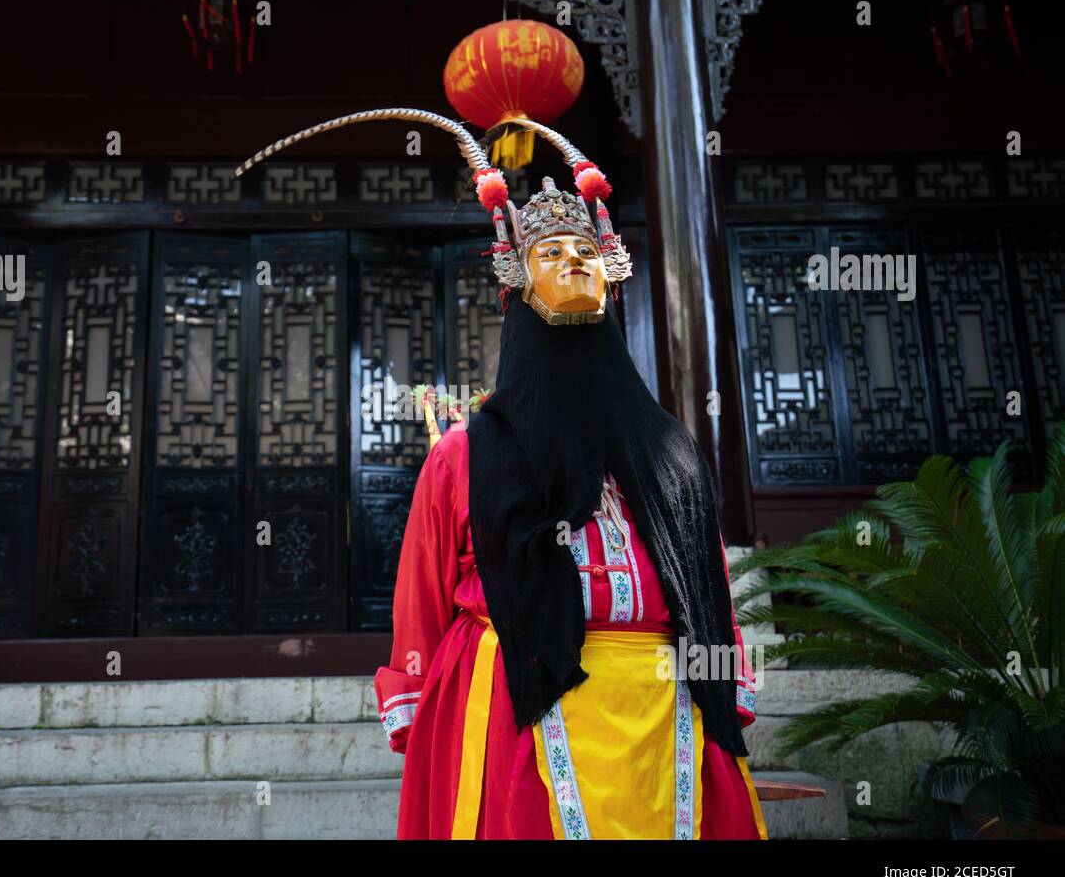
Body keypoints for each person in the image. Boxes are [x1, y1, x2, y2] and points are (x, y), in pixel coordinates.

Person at [237, 111, 766, 839]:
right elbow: (422, 592)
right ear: (517, 284)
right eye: (553, 251)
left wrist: (724, 666)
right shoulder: (467, 451)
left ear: (611, 276)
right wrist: (415, 694)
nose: (575, 261)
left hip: (666, 706)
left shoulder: (669, 449)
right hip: (515, 704)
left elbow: (704, 573)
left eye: (586, 249)